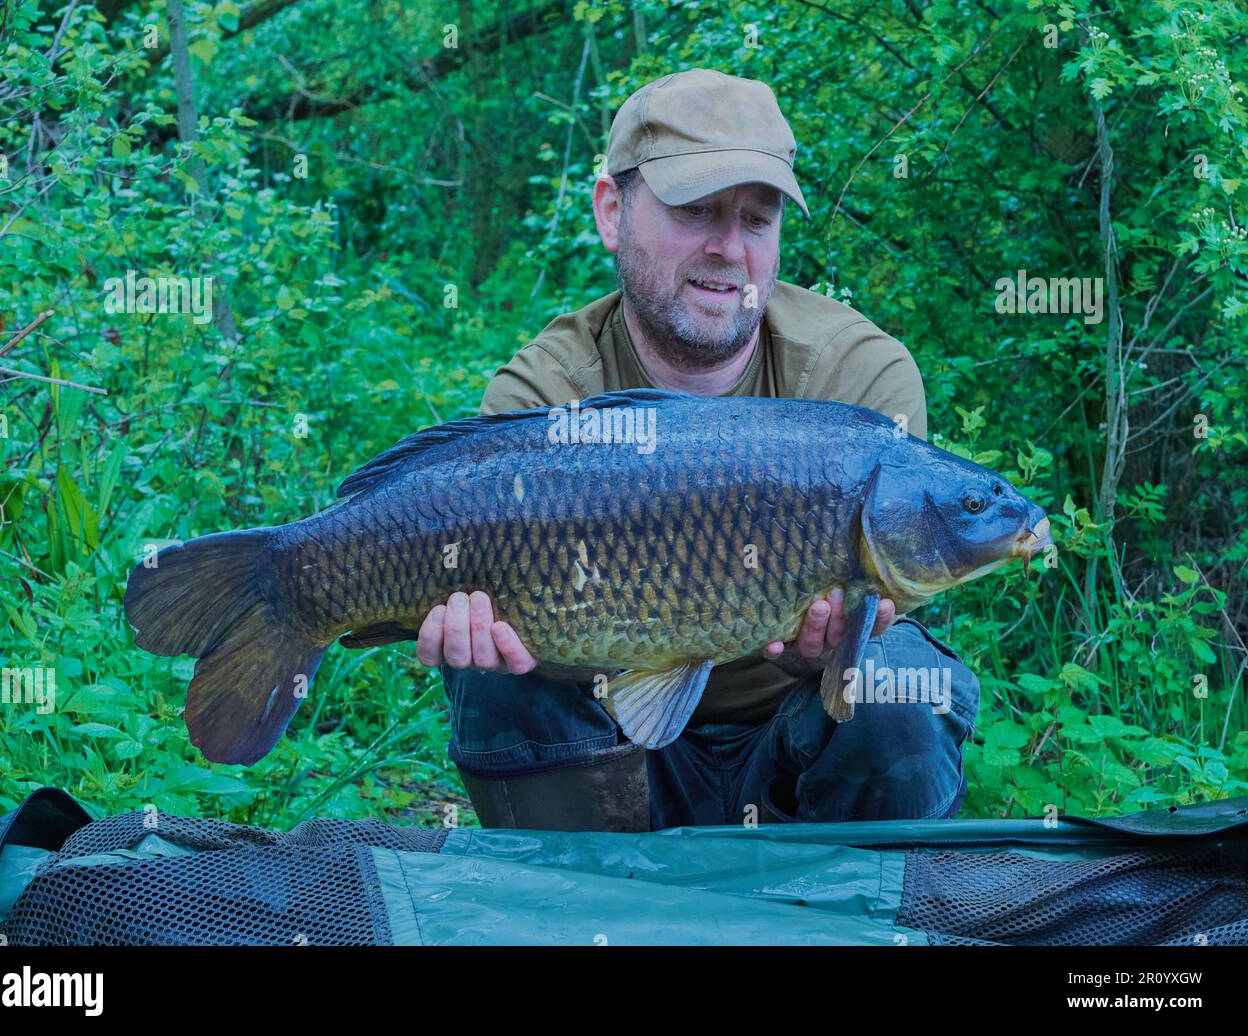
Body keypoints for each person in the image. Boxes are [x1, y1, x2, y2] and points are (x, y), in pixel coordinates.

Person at [418, 68, 978, 832]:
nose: (728, 249)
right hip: (611, 756)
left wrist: (824, 655)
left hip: (794, 753)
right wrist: (479, 635)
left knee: (902, 685)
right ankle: (592, 910)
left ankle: (842, 917)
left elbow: (875, 619)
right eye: (696, 212)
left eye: (756, 218)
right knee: (493, 670)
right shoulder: (546, 393)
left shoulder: (858, 377)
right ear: (612, 211)